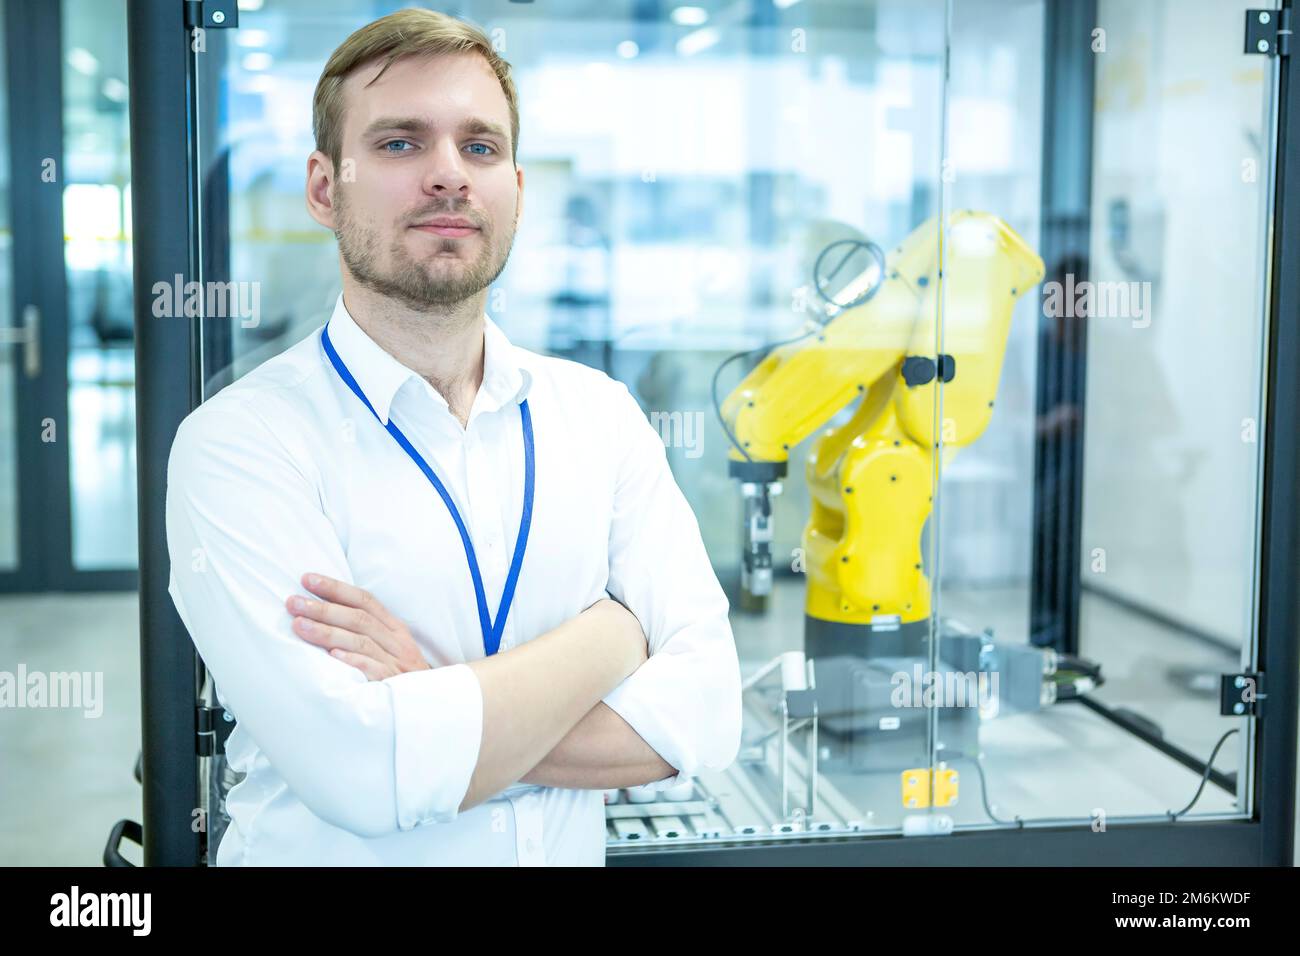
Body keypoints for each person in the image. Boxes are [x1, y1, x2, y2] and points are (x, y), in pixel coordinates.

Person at [164, 8, 742, 866]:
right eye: (400, 144)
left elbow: (708, 714)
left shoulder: (599, 416)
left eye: (479, 147)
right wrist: (615, 635)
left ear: (516, 185)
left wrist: (427, 706)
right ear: (325, 189)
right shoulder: (241, 444)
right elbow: (360, 772)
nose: (448, 176)